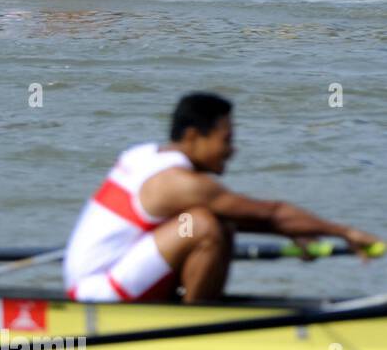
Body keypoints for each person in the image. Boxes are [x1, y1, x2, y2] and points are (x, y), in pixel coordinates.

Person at [63, 92, 380, 302]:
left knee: (218, 222)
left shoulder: (144, 154)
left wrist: (295, 230)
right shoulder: (180, 183)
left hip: (104, 275)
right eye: (226, 140)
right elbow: (270, 213)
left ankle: (193, 306)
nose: (232, 149)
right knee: (202, 225)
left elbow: (247, 216)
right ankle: (194, 326)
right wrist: (344, 232)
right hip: (98, 291)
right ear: (192, 136)